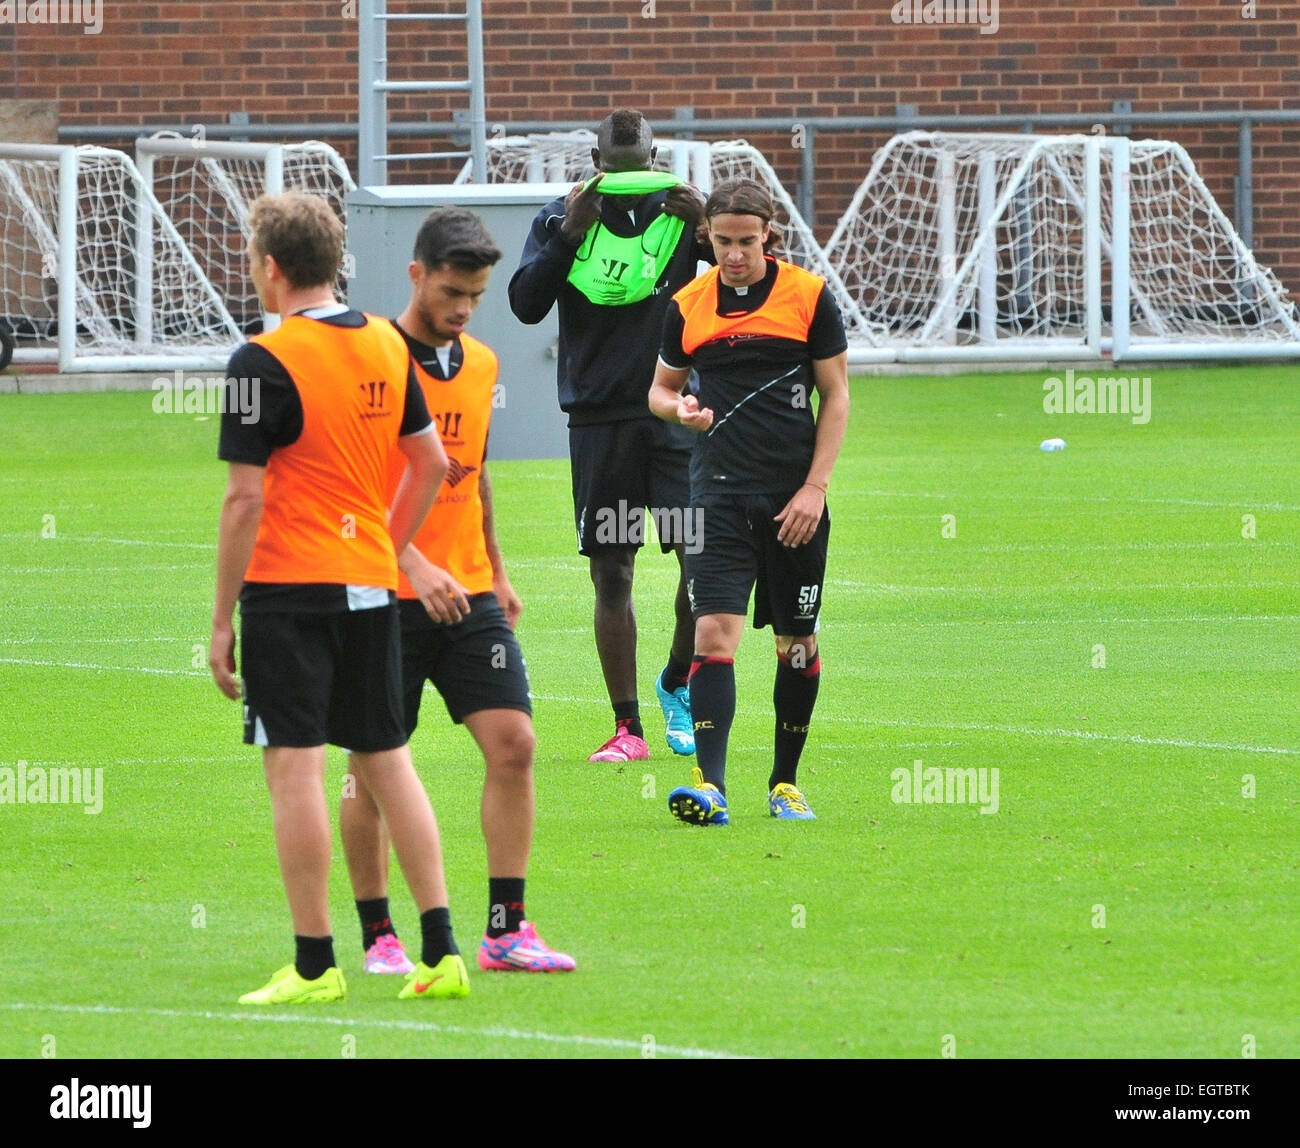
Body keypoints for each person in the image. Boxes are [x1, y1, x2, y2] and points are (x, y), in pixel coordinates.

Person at [211, 190, 469, 1002]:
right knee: (388, 762)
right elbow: (431, 464)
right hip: (368, 585)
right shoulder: (390, 346)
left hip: (288, 589)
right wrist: (386, 550)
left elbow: (245, 500)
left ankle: (316, 964)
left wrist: (221, 619)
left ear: (272, 267)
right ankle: (443, 954)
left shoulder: (262, 359)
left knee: (294, 770)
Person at [340, 207, 575, 975]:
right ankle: (380, 934)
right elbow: (348, 488)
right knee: (373, 767)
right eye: (450, 290)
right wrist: (408, 562)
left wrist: (497, 570)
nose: (463, 308)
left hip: (467, 589)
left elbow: (470, 473)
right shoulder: (371, 358)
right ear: (415, 275)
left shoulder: (479, 363)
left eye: (474, 294)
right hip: (381, 588)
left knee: (515, 746)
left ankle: (506, 929)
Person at [648, 177, 850, 825]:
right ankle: (711, 786)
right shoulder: (687, 304)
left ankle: (785, 783)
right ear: (707, 236)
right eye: (723, 241)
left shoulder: (808, 297)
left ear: (770, 238)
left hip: (794, 502)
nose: (735, 254)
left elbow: (836, 396)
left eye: (747, 242)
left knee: (797, 644)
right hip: (717, 498)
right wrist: (677, 408)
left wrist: (814, 489)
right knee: (713, 633)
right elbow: (659, 389)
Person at [508, 107, 708, 764]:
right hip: (599, 418)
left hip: (674, 411)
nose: (632, 175)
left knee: (700, 565)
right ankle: (628, 728)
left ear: (655, 159)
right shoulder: (558, 217)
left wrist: (705, 226)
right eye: (619, 166)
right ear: (596, 164)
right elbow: (525, 303)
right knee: (613, 572)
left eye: (642, 164)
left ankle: (677, 681)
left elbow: (751, 274)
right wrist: (568, 234)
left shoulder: (681, 215)